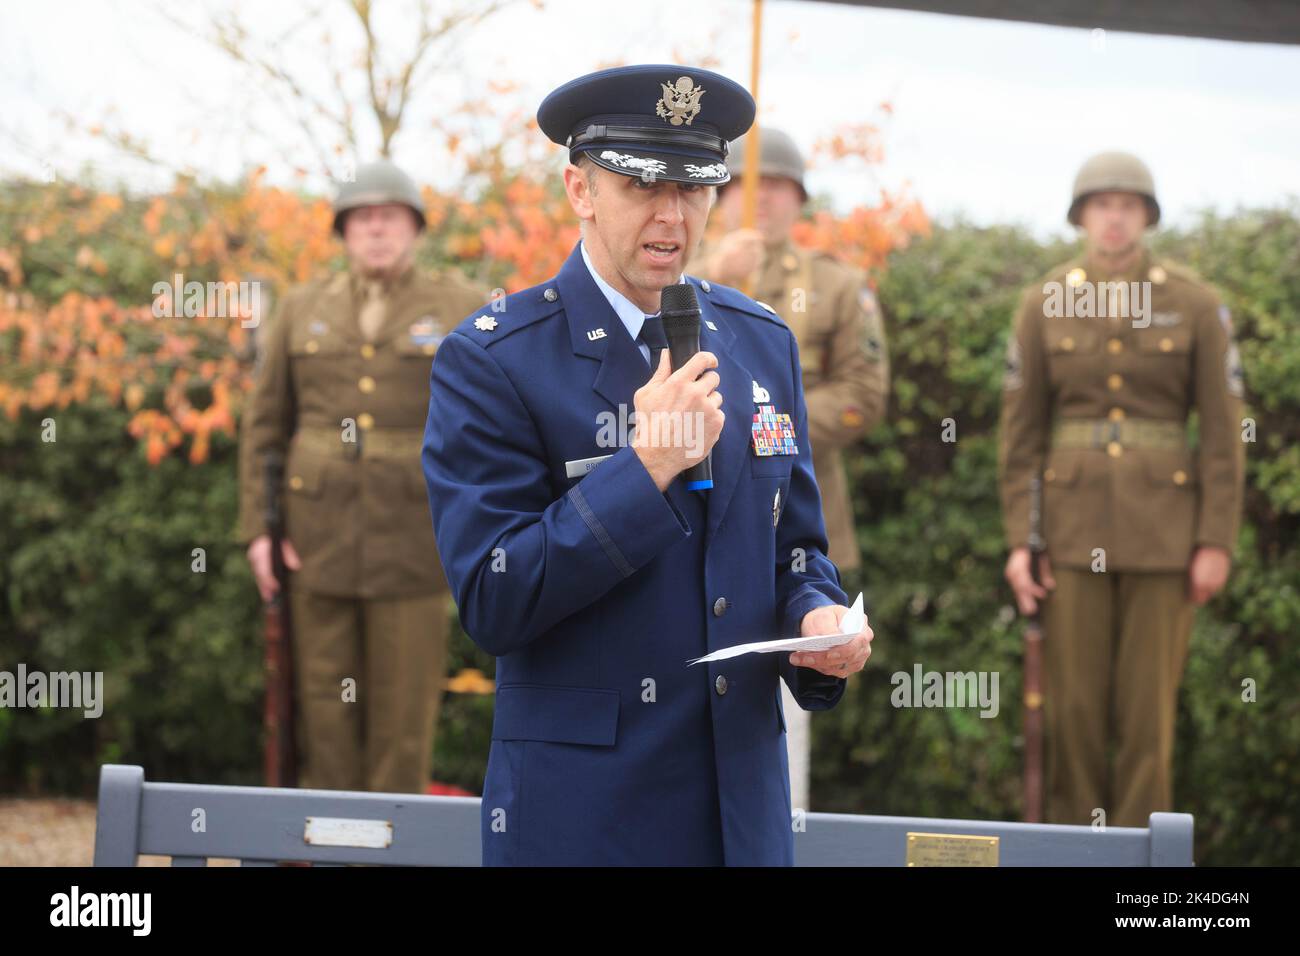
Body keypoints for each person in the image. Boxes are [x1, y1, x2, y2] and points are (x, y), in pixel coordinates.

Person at [422, 65, 874, 865]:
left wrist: (817, 620)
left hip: (740, 815)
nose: (673, 215)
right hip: (587, 819)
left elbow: (795, 550)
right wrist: (645, 468)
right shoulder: (494, 359)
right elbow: (495, 598)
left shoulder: (760, 341)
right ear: (579, 190)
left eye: (695, 188)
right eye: (641, 186)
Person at [998, 151, 1245, 828]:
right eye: (1101, 204)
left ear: (1147, 217)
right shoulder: (1042, 301)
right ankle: (1080, 854)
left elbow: (1224, 435)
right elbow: (1021, 435)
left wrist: (1215, 540)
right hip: (1073, 539)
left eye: (1128, 205)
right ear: (1082, 215)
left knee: (1147, 719)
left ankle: (1140, 868)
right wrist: (1023, 542)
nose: (1114, 217)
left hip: (1166, 539)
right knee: (1073, 714)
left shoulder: (1194, 303)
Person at [237, 160, 486, 794]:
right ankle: (328, 852)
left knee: (403, 720)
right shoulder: (301, 307)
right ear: (344, 232)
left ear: (415, 229)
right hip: (315, 541)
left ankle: (390, 854)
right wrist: (258, 532)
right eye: (363, 219)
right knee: (324, 713)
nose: (376, 230)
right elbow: (265, 427)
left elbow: (488, 427)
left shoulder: (460, 306)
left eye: (390, 218)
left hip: (415, 542)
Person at [696, 127, 890, 810]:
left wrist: (774, 427)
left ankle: (785, 829)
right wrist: (716, 268)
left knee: (796, 686)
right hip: (692, 515)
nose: (762, 201)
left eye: (776, 187)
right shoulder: (690, 273)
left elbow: (864, 397)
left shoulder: (834, 287)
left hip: (793, 516)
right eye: (748, 187)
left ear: (799, 200)